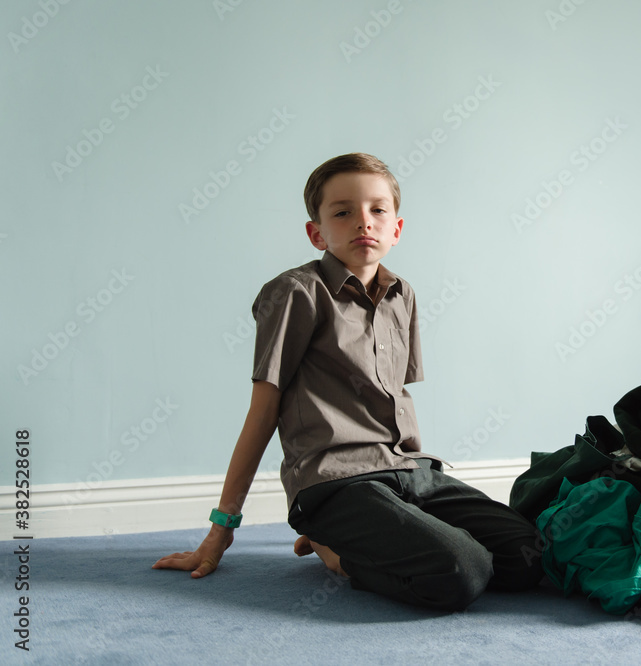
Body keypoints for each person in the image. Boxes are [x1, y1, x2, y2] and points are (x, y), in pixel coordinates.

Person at [153, 153, 543, 611]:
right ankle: (332, 548)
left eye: (378, 210)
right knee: (463, 569)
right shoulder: (295, 293)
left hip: (407, 470)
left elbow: (395, 396)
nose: (364, 222)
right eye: (342, 212)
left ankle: (374, 537)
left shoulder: (402, 294)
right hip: (335, 483)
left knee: (529, 556)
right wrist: (221, 529)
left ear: (396, 228)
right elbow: (262, 413)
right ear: (316, 233)